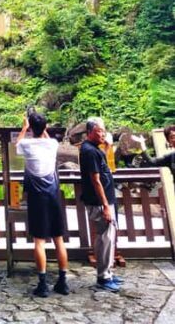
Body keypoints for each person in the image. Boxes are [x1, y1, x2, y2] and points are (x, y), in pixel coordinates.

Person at [16, 112, 69, 297]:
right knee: (58, 239)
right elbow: (45, 138)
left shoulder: (26, 145)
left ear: (31, 127)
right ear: (45, 127)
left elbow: (17, 145)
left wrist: (24, 128)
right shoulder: (52, 144)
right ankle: (63, 281)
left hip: (37, 198)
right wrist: (41, 128)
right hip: (53, 195)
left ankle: (43, 283)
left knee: (39, 241)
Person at [79, 118, 123, 292]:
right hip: (98, 202)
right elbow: (96, 180)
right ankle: (103, 277)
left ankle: (108, 272)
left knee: (109, 236)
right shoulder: (89, 151)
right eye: (99, 131)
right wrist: (105, 205)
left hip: (104, 200)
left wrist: (106, 146)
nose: (103, 134)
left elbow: (104, 169)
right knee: (105, 237)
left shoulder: (95, 149)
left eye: (104, 130)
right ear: (90, 132)